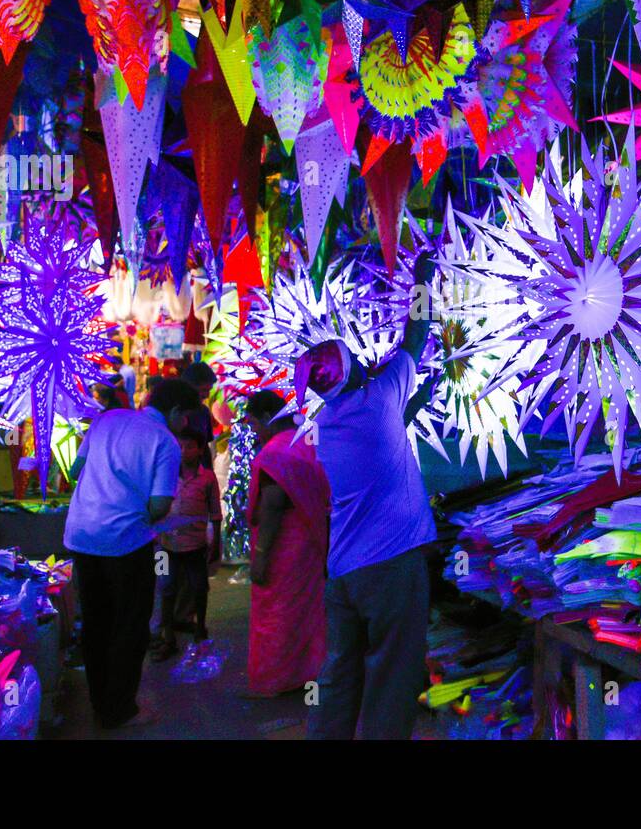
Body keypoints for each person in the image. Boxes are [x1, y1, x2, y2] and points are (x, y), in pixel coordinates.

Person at [301, 252, 437, 740]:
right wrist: (423, 279)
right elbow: (415, 335)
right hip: (390, 567)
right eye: (354, 357)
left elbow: (384, 437)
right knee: (391, 677)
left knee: (341, 676)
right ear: (351, 371)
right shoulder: (380, 395)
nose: (363, 359)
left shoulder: (330, 422)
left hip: (344, 574)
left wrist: (416, 400)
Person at [65, 378, 201, 729]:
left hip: (81, 536)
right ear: (174, 411)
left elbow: (75, 471)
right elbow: (157, 507)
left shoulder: (106, 419)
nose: (185, 425)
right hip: (126, 542)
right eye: (185, 416)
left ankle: (101, 702)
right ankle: (121, 709)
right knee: (129, 624)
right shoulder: (165, 442)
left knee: (96, 622)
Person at [243, 390, 330, 696]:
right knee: (305, 610)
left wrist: (262, 555)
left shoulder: (276, 453)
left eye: (254, 424)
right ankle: (307, 673)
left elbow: (273, 505)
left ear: (268, 418)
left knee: (276, 611)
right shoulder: (306, 443)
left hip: (284, 545)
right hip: (309, 540)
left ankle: (275, 679)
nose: (253, 431)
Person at [152, 429, 222, 661]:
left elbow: (215, 512)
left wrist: (217, 541)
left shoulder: (208, 478)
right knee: (166, 587)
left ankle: (200, 629)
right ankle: (167, 636)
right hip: (166, 545)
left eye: (190, 446)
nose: (184, 451)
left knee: (199, 587)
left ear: (200, 450)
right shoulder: (166, 474)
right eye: (180, 447)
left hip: (195, 544)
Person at [180, 360, 217, 446]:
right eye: (203, 390)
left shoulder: (204, 412)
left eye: (208, 390)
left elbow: (205, 448)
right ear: (189, 387)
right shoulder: (173, 413)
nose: (207, 395)